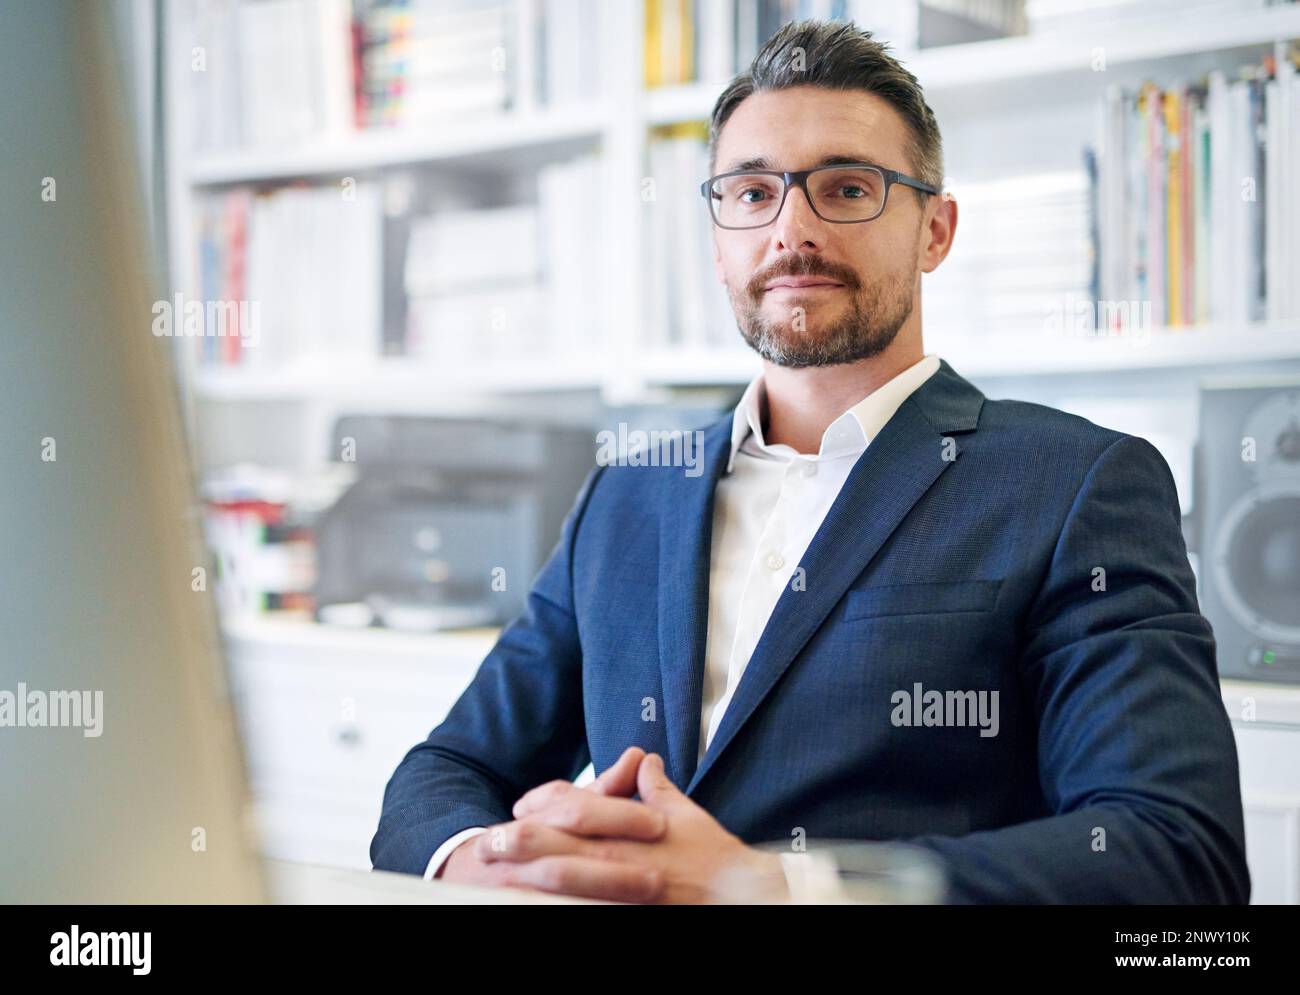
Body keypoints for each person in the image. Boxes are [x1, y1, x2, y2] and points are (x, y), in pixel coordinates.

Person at [371, 19, 1249, 904]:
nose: (792, 228)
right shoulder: (625, 495)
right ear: (718, 243)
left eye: (846, 187)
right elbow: (446, 771)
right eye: (752, 193)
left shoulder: (1075, 484)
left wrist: (776, 885)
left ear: (935, 231)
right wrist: (481, 855)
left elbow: (1176, 853)